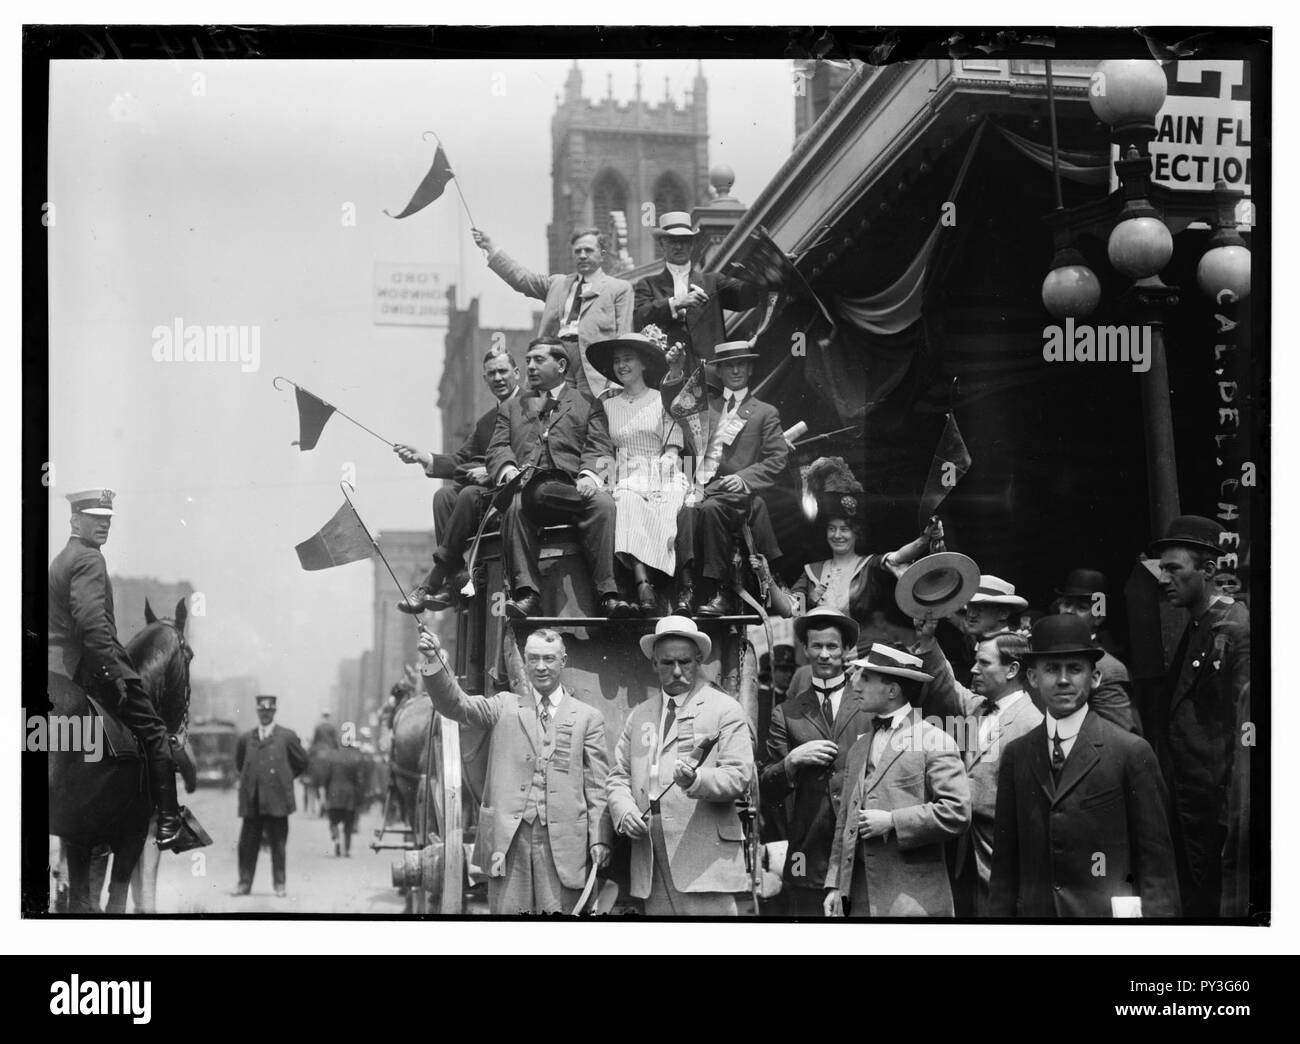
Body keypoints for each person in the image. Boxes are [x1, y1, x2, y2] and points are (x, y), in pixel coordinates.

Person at [987, 615, 1180, 918]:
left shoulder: (1130, 752)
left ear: (1095, 678)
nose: (1063, 679)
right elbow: (1004, 869)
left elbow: (1158, 870)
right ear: (1033, 678)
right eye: (1051, 669)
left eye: (1075, 669)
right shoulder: (1018, 755)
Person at [417, 627, 613, 914]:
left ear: (563, 661)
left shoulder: (587, 718)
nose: (541, 667)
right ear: (525, 662)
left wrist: (600, 838)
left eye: (548, 659)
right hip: (508, 844)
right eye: (533, 659)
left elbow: (597, 786)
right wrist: (434, 660)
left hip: (564, 847)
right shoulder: (503, 706)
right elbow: (456, 705)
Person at [47, 488, 184, 848]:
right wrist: (114, 676)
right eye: (95, 518)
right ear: (75, 520)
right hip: (90, 667)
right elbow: (93, 627)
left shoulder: (62, 558)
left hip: (53, 664)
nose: (104, 524)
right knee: (154, 731)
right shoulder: (90, 560)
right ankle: (169, 821)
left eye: (107, 519)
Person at [607, 616, 754, 915]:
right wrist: (624, 812)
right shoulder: (640, 715)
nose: (676, 671)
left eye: (685, 662)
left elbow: (740, 777)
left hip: (704, 859)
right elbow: (618, 777)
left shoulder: (725, 709)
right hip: (649, 853)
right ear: (653, 663)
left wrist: (697, 780)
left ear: (699, 660)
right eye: (667, 663)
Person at [1147, 515, 1250, 918]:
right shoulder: (1199, 626)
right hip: (1195, 803)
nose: (1163, 578)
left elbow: (1245, 726)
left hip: (1218, 807)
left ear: (1208, 571)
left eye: (1174, 568)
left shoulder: (1235, 630)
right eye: (1162, 568)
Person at [485, 337, 630, 618]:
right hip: (528, 489)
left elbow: (600, 447)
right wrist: (509, 470)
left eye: (539, 360)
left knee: (603, 506)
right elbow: (498, 447)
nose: (530, 367)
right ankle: (527, 594)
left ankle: (608, 595)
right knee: (515, 508)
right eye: (528, 361)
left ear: (561, 365)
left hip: (571, 489)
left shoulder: (587, 404)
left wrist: (589, 476)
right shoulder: (512, 407)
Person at [914, 623, 1043, 915]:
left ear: (1012, 670)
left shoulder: (1031, 723)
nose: (973, 669)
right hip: (966, 853)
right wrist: (927, 639)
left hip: (1003, 859)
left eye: (983, 663)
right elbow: (948, 684)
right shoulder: (978, 708)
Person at [761, 607, 872, 916]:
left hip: (860, 846)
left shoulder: (870, 705)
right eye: (817, 646)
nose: (824, 655)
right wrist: (792, 761)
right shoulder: (787, 712)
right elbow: (767, 789)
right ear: (805, 649)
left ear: (847, 650)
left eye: (832, 646)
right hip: (808, 852)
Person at [767, 458, 938, 659]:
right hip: (825, 662)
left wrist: (924, 540)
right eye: (832, 529)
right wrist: (766, 577)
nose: (837, 535)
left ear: (856, 533)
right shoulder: (811, 571)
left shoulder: (869, 565)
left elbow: (899, 557)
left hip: (866, 659)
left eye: (844, 529)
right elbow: (789, 609)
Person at [666, 341, 789, 616]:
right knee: (685, 512)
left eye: (741, 364)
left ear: (750, 368)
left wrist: (745, 478)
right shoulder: (706, 407)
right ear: (718, 371)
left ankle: (720, 591)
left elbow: (777, 458)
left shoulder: (764, 412)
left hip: (735, 491)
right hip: (700, 486)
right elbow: (676, 408)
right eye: (728, 365)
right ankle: (686, 592)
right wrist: (675, 372)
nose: (735, 370)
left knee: (710, 510)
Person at [396, 349, 521, 613]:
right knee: (443, 497)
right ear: (485, 379)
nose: (498, 378)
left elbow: (530, 455)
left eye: (503, 371)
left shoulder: (532, 407)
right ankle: (455, 578)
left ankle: (434, 583)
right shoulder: (487, 421)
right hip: (485, 499)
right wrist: (424, 457)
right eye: (491, 374)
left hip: (513, 495)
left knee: (467, 494)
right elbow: (462, 458)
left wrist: (490, 474)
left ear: (516, 373)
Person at [583, 331, 687, 613]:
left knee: (663, 504)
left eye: (628, 359)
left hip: (661, 469)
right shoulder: (607, 403)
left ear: (643, 364)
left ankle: (653, 583)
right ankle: (643, 584)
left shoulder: (660, 398)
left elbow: (673, 437)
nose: (621, 366)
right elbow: (602, 447)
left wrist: (669, 456)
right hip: (625, 473)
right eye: (617, 361)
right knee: (625, 500)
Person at [473, 226, 632, 399]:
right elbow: (522, 279)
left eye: (588, 250)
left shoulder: (618, 288)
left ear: (602, 254)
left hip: (593, 364)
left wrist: (617, 379)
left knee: (591, 413)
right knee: (554, 414)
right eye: (577, 251)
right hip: (555, 359)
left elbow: (623, 335)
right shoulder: (558, 284)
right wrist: (490, 247)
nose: (583, 255)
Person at [631, 211, 765, 365]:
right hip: (668, 370)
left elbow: (748, 297)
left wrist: (765, 269)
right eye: (672, 241)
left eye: (684, 240)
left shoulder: (713, 281)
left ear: (692, 244)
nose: (679, 246)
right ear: (662, 243)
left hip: (710, 370)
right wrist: (677, 302)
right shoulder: (648, 284)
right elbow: (639, 318)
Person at [232, 695, 309, 898]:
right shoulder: (246, 738)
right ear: (257, 712)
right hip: (253, 802)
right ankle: (244, 883)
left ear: (274, 712)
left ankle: (280, 885)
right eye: (262, 711)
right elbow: (240, 764)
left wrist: (285, 777)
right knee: (247, 846)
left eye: (269, 711)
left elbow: (302, 761)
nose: (265, 714)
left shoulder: (287, 736)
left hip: (277, 802)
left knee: (278, 846)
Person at [1053, 567, 1141, 734]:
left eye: (1082, 607)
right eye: (1066, 604)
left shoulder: (1107, 668)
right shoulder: (1047, 655)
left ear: (1098, 617)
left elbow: (1119, 739)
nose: (1070, 612)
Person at [322, 733, 368, 857]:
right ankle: (346, 849)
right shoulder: (356, 757)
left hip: (334, 793)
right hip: (349, 796)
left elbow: (326, 776)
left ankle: (336, 839)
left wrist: (327, 792)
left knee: (333, 821)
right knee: (348, 824)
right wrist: (360, 796)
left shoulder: (332, 755)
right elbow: (360, 780)